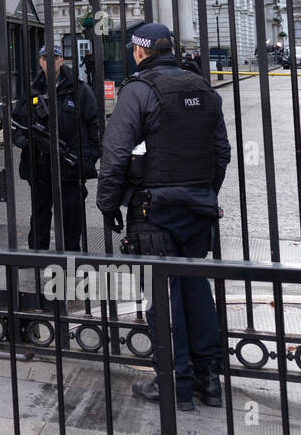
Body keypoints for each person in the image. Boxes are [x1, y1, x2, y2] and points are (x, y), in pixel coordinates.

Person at [97, 22, 231, 412]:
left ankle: (175, 383)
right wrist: (203, 194)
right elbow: (221, 153)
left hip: (152, 210)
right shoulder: (203, 89)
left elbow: (115, 156)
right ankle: (210, 380)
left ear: (140, 51)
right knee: (195, 289)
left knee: (162, 295)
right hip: (197, 209)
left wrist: (108, 205)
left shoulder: (138, 91)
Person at [11, 44, 100, 252]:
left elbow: (94, 125)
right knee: (40, 212)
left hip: (69, 165)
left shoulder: (79, 90)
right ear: (40, 62)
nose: (50, 63)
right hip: (40, 165)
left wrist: (90, 156)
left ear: (61, 61)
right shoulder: (32, 90)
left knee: (71, 213)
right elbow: (16, 123)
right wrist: (26, 143)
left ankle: (71, 254)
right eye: (45, 59)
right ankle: (37, 252)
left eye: (55, 58)